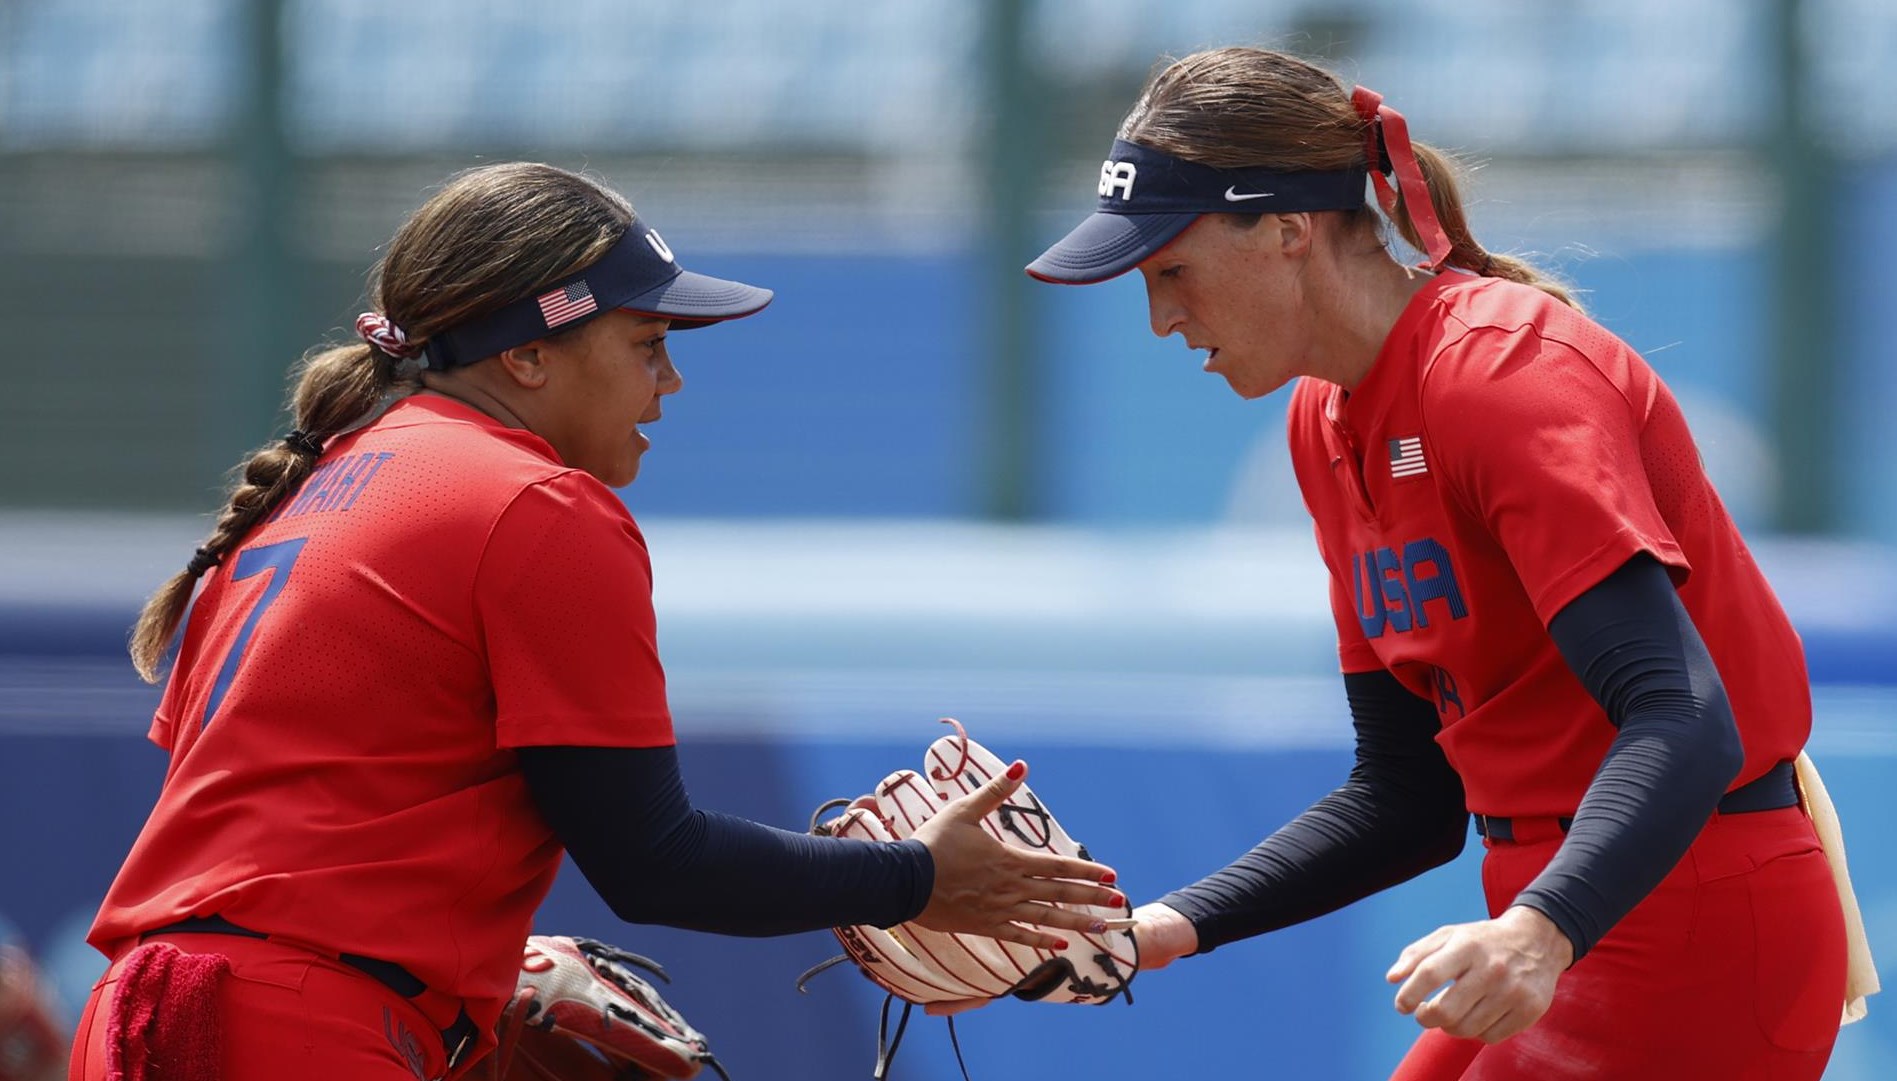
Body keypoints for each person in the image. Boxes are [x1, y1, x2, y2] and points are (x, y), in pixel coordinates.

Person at [70, 162, 1125, 1081]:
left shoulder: (327, 484)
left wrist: (462, 981)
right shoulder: (537, 504)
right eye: (648, 340)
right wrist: (919, 879)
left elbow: (301, 834)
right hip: (297, 1024)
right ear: (528, 354)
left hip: (145, 1012)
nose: (669, 383)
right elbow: (653, 859)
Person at [1026, 46, 1850, 1080]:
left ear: (1287, 229)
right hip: (1566, 913)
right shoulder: (1324, 416)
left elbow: (1682, 713)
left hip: (1690, 919)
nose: (1161, 318)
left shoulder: (1497, 373)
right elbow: (1406, 795)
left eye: (1172, 271)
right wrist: (1154, 928)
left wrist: (1541, 929)